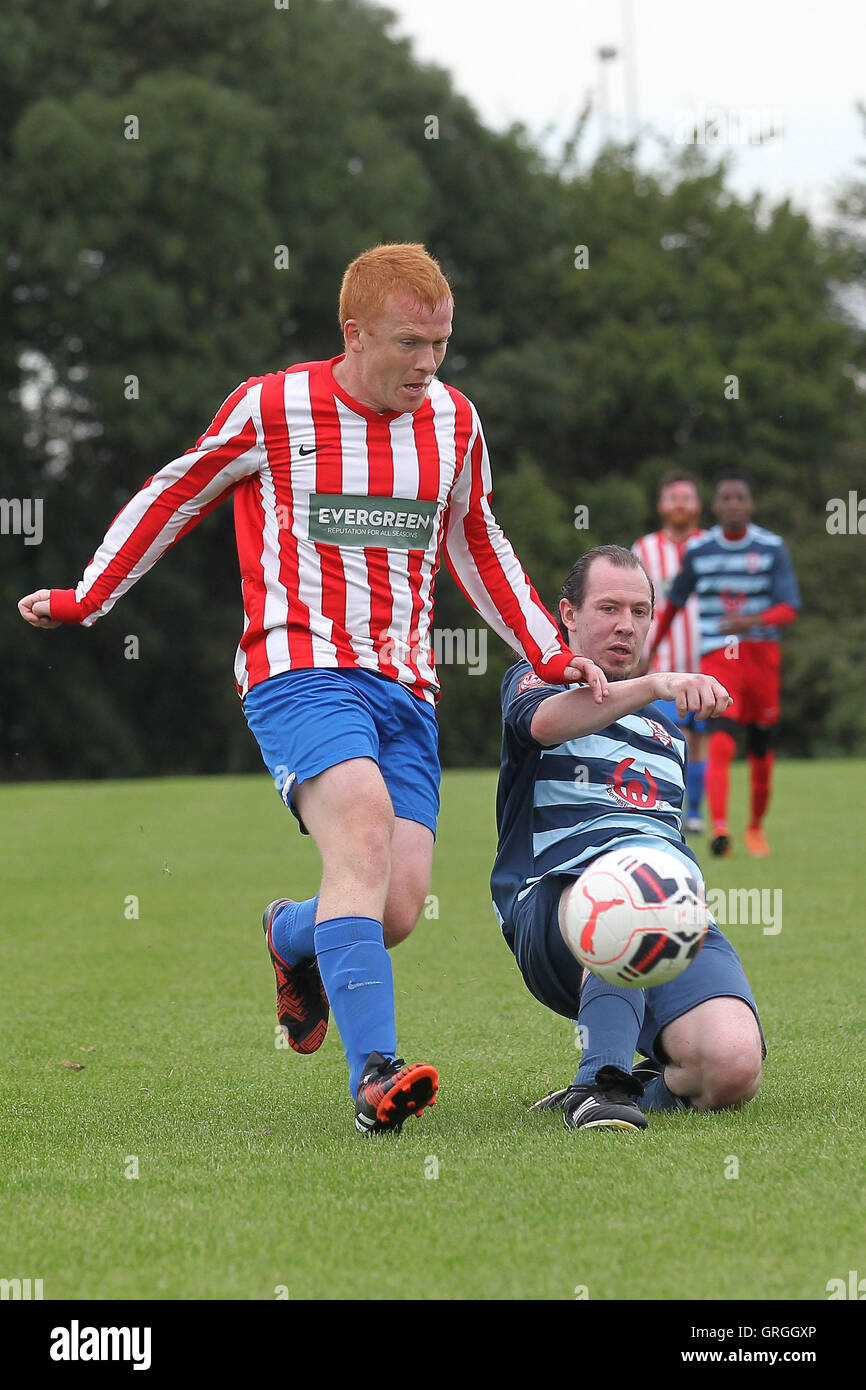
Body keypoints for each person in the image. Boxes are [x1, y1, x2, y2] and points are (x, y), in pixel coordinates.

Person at [18, 242, 607, 1136]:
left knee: (395, 904)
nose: (427, 365)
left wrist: (552, 651)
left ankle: (290, 936)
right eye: (409, 343)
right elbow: (174, 494)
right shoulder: (274, 407)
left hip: (405, 687)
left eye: (440, 344)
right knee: (363, 831)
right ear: (354, 331)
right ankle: (376, 1075)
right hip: (297, 668)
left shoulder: (455, 422)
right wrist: (89, 597)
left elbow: (477, 543)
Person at [492, 544, 765, 1131]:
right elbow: (545, 723)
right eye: (609, 608)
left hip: (667, 903)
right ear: (568, 614)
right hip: (553, 900)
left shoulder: (666, 732)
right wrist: (656, 684)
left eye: (640, 612)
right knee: (628, 891)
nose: (626, 625)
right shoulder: (534, 680)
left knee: (731, 1068)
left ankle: (636, 1084)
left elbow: (667, 840)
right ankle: (599, 1088)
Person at [646, 472, 800, 857]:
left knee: (761, 747)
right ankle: (719, 828)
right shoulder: (701, 552)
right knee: (720, 737)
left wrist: (751, 621)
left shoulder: (771, 548)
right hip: (721, 654)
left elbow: (789, 608)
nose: (733, 504)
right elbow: (673, 606)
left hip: (762, 656)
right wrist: (650, 650)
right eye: (726, 498)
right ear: (716, 507)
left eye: (740, 498)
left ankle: (755, 828)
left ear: (750, 505)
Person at [632, 471, 707, 833]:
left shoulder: (712, 546)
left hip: (708, 658)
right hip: (660, 663)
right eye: (673, 498)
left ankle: (696, 811)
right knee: (669, 735)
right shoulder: (643, 549)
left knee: (702, 738)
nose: (680, 504)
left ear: (698, 505)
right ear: (662, 505)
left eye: (686, 497)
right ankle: (668, 808)